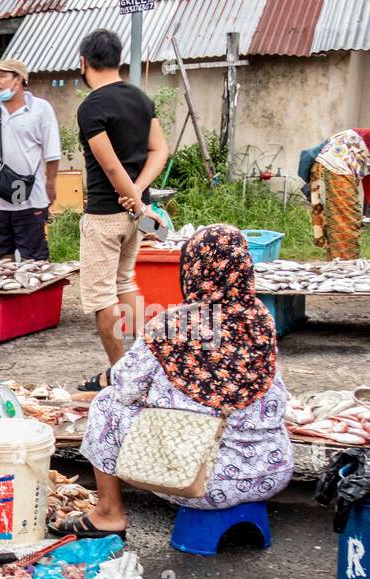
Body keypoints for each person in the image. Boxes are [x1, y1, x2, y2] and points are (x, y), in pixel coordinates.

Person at [55, 225, 293, 538]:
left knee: (107, 404)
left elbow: (126, 387)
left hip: (199, 482)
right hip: (271, 472)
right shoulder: (260, 317)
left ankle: (109, 513)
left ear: (193, 269)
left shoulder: (171, 326)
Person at [75, 28, 169, 389]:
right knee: (124, 282)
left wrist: (131, 194)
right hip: (135, 215)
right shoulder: (141, 99)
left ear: (84, 62)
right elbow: (159, 150)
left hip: (104, 214)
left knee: (101, 295)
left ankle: (123, 373)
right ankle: (146, 362)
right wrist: (139, 197)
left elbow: (111, 166)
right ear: (119, 61)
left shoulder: (92, 107)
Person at [0, 58, 60, 262]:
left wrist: (51, 184)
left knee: (35, 260)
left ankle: (34, 295)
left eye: (3, 76)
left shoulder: (41, 110)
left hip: (31, 198)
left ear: (19, 80)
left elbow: (52, 154)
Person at [309, 129, 370, 260]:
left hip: (337, 161)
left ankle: (336, 261)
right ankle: (344, 265)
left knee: (341, 217)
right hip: (338, 162)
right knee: (345, 218)